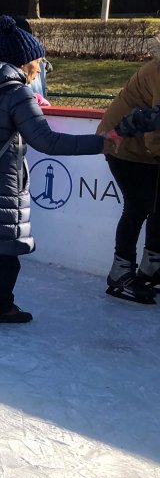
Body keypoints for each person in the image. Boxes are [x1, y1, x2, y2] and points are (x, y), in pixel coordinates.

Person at [0, 16, 110, 329]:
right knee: (9, 248)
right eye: (40, 61)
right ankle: (0, 306)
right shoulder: (18, 93)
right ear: (28, 61)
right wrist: (102, 143)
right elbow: (47, 140)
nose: (40, 68)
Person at [94, 34, 160, 304]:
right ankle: (120, 272)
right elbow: (156, 131)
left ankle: (152, 265)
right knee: (139, 204)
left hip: (147, 149)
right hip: (121, 143)